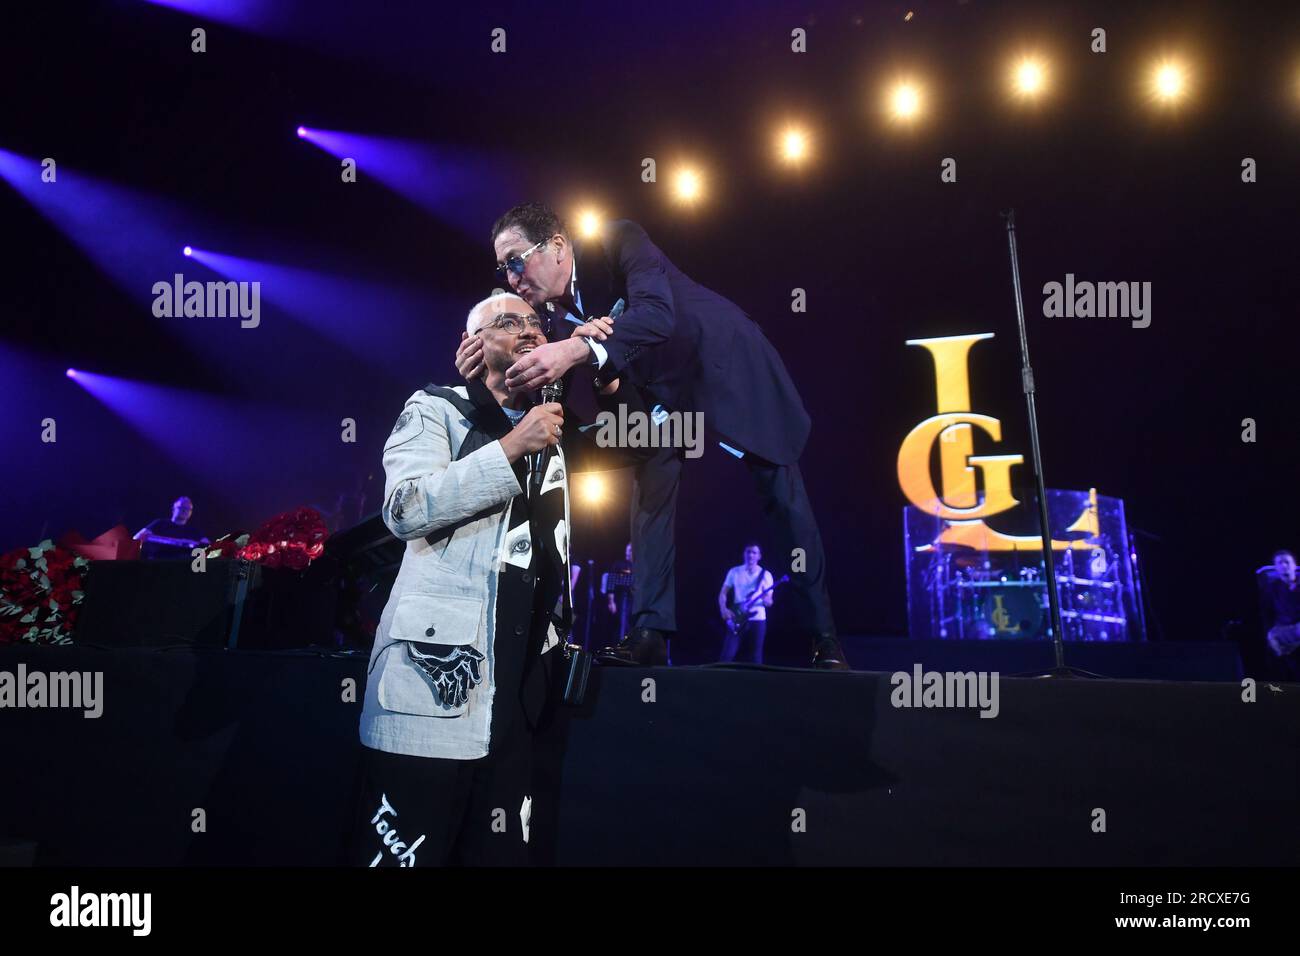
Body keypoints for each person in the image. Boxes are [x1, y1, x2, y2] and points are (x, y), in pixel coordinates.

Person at [459, 202, 847, 670]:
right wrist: (483, 384)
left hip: (728, 371)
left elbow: (657, 315)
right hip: (663, 400)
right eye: (503, 268)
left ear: (558, 246)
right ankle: (649, 632)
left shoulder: (616, 241)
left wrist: (581, 347)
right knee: (650, 479)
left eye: (516, 260)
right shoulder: (553, 321)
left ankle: (824, 638)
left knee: (784, 499)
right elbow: (581, 407)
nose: (511, 277)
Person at [351, 294, 627, 866]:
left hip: (521, 699)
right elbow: (404, 509)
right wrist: (509, 447)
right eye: (507, 322)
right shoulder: (436, 407)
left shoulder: (552, 424)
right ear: (471, 344)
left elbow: (643, 440)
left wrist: (599, 359)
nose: (529, 329)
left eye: (534, 321)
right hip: (434, 691)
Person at [718, 543, 774, 664]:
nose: (751, 555)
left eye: (754, 553)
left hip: (758, 619)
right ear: (744, 554)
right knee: (726, 656)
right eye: (748, 552)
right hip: (738, 617)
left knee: (755, 657)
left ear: (759, 556)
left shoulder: (766, 575)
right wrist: (723, 609)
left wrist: (766, 599)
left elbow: (769, 602)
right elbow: (723, 593)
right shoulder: (734, 572)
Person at [1259, 549, 1300, 680]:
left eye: (1287, 562)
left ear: (1294, 565)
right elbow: (1267, 612)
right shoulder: (1272, 588)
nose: (1284, 566)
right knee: (1273, 638)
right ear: (1276, 567)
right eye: (1280, 563)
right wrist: (1269, 631)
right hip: (1284, 629)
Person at [133, 496, 208, 560]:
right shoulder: (160, 523)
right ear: (173, 509)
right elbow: (137, 538)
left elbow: (208, 547)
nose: (185, 510)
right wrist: (180, 542)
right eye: (182, 507)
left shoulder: (194, 531)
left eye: (189, 509)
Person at [605, 542, 635, 644]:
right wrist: (611, 602)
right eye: (627, 549)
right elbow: (610, 584)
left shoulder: (640, 566)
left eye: (630, 550)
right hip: (622, 600)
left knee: (631, 627)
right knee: (621, 625)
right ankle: (619, 647)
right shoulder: (619, 564)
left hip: (634, 601)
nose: (627, 552)